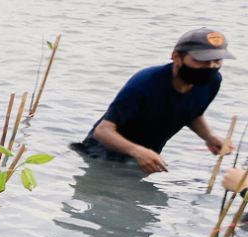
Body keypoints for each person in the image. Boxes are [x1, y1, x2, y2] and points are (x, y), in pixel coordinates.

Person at [74, 29, 233, 174]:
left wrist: (209, 137)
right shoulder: (145, 82)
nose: (211, 67)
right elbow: (103, 131)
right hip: (101, 156)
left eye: (217, 61)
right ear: (176, 57)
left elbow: (192, 113)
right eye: (202, 61)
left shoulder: (212, 82)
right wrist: (137, 151)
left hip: (145, 160)